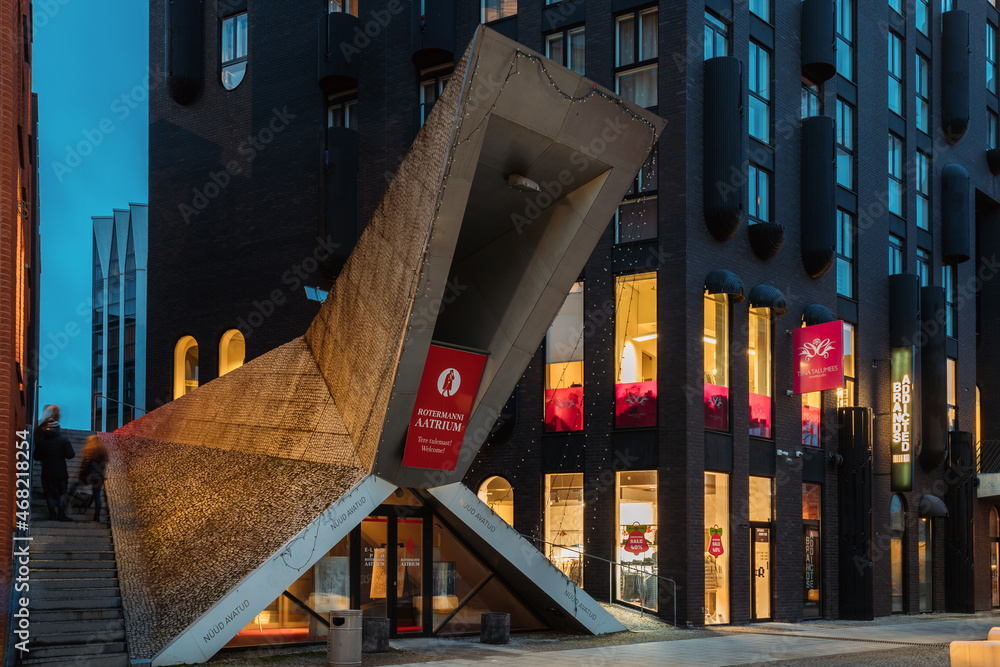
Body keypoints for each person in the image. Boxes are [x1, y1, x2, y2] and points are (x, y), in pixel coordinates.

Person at [33, 405, 75, 521]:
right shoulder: (63, 441)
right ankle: (61, 514)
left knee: (49, 494)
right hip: (61, 472)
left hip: (46, 472)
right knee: (62, 493)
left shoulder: (42, 442)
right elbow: (71, 455)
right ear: (58, 429)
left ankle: (52, 514)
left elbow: (36, 457)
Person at [78, 435, 108, 522]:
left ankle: (70, 503)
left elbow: (85, 463)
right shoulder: (102, 451)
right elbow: (104, 465)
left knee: (76, 486)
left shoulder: (89, 450)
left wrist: (81, 475)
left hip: (89, 476)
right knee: (97, 495)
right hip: (98, 477)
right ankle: (97, 516)